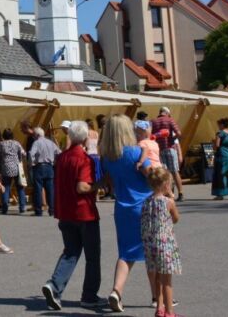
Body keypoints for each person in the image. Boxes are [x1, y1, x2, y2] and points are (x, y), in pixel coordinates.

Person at [41, 120, 101, 311]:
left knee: (71, 252)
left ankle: (55, 286)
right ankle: (89, 296)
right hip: (83, 212)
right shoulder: (84, 159)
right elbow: (82, 186)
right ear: (84, 138)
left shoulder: (63, 157)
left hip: (65, 211)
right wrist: (100, 185)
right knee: (92, 256)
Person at [99, 115, 154, 313]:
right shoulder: (137, 153)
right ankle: (157, 295)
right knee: (151, 251)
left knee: (126, 253)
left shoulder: (108, 158)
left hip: (122, 207)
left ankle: (116, 290)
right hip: (144, 205)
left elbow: (107, 180)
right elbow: (151, 175)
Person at [140, 166, 182, 317]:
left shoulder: (146, 202)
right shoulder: (168, 202)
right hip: (165, 245)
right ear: (166, 184)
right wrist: (171, 196)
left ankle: (160, 308)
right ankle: (170, 312)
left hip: (150, 244)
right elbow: (176, 219)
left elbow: (143, 223)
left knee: (157, 277)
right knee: (167, 280)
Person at [149, 107, 183, 202]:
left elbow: (150, 136)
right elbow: (179, 133)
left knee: (164, 173)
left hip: (159, 149)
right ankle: (180, 193)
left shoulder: (153, 121)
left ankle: (167, 193)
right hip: (170, 148)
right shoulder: (170, 120)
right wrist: (172, 138)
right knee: (175, 171)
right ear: (167, 113)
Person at [28, 126, 60, 217]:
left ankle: (38, 211)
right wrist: (55, 161)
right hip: (49, 167)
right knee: (50, 189)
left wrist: (32, 163)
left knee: (38, 189)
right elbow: (59, 152)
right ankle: (52, 210)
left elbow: (31, 153)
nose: (33, 136)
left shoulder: (36, 143)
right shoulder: (51, 142)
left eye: (34, 135)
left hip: (39, 166)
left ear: (37, 135)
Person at [0, 129, 26, 214]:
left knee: (6, 187)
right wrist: (19, 158)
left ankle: (5, 207)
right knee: (20, 187)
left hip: (6, 168)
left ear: (4, 135)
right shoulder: (17, 143)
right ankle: (22, 207)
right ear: (12, 135)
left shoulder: (1, 144)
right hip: (16, 167)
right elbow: (23, 153)